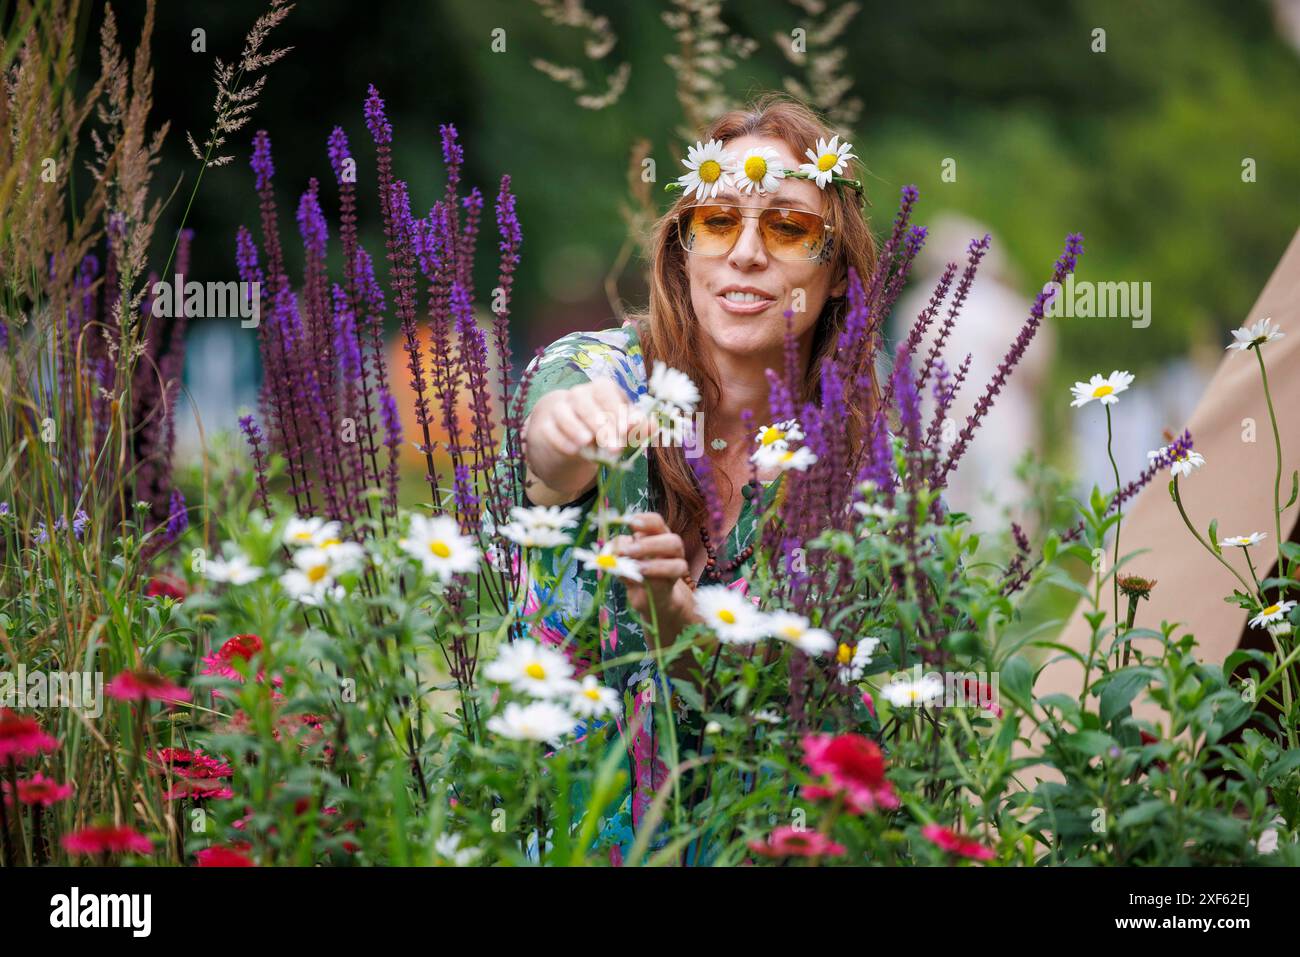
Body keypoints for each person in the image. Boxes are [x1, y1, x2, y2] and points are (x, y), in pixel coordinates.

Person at [494, 93, 882, 864]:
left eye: (788, 226)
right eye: (717, 220)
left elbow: (844, 706)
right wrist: (573, 428)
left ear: (837, 273)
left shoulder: (854, 466)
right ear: (683, 248)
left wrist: (687, 625)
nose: (745, 253)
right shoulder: (599, 370)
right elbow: (549, 448)